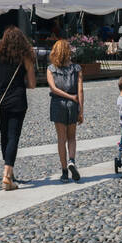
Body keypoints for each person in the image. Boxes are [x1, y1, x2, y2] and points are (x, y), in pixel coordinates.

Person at [0, 25, 36, 191]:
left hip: (0, 100)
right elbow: (32, 84)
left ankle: (8, 170)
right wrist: (20, 83)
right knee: (14, 136)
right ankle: (7, 175)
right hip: (18, 100)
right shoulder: (25, 57)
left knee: (4, 135)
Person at [46, 38, 82, 183]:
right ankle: (71, 160)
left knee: (61, 138)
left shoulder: (51, 69)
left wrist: (68, 97)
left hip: (57, 103)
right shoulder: (77, 68)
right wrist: (80, 109)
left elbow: (53, 88)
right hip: (73, 105)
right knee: (72, 137)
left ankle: (64, 172)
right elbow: (80, 90)